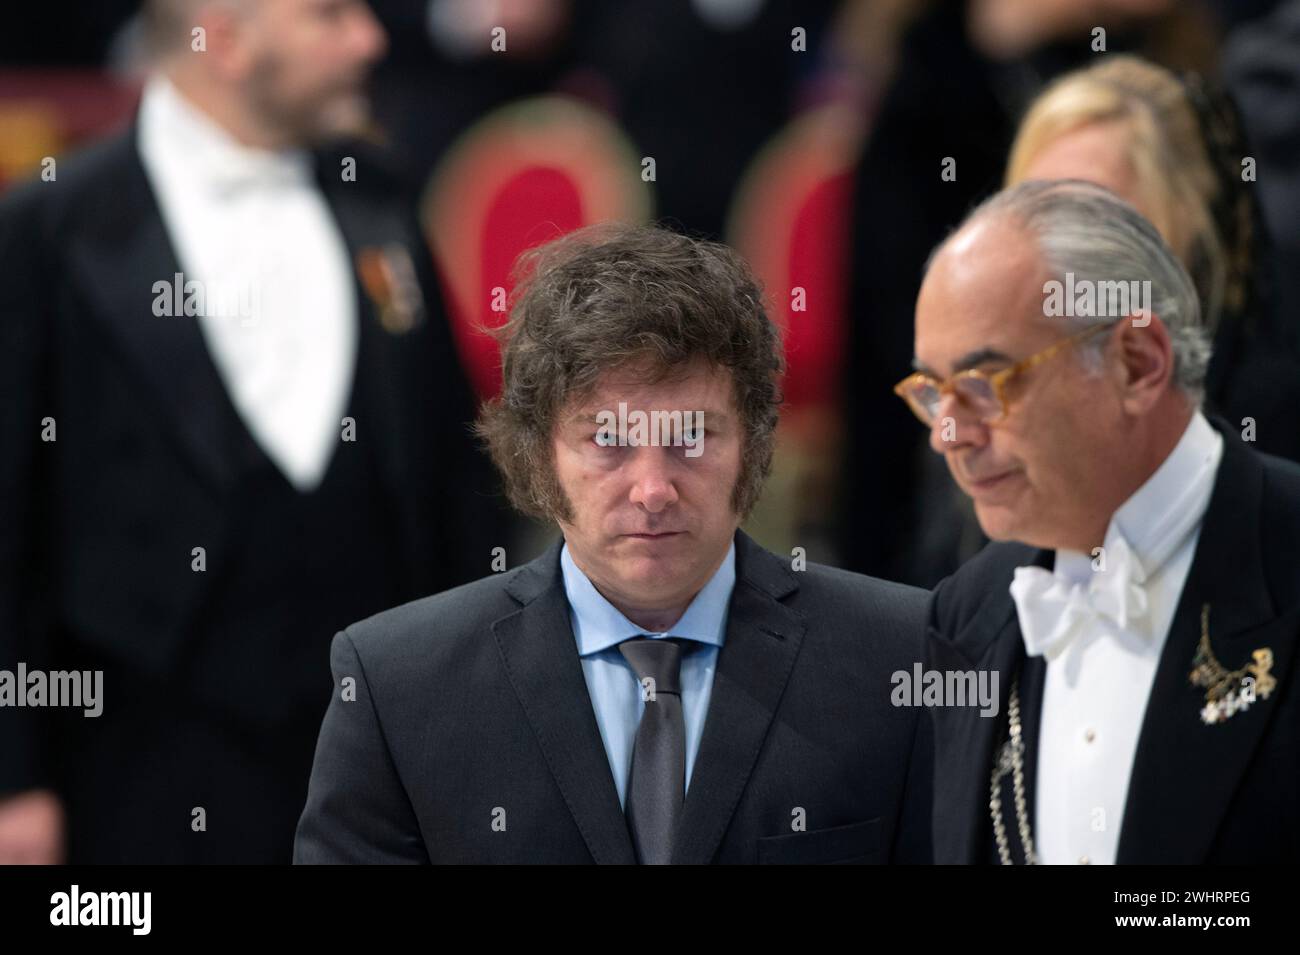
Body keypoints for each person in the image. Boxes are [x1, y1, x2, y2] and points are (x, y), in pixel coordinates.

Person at [0, 0, 504, 863]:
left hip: (373, 750)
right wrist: (13, 779)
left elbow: (454, 474)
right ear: (224, 41)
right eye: (330, 15)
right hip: (138, 761)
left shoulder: (380, 191)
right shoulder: (51, 227)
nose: (371, 39)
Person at [294, 223, 934, 864]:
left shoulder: (901, 658)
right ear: (541, 455)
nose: (653, 489)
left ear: (754, 445)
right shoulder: (395, 682)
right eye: (608, 440)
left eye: (692, 437)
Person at [902, 179, 1300, 864]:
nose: (948, 433)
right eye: (932, 390)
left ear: (1137, 363)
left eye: (984, 385)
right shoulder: (967, 611)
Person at [1007, 54, 1300, 462]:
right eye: (1038, 214)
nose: (1063, 251)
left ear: (1191, 218)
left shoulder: (1270, 419)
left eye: (1097, 216)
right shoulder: (988, 403)